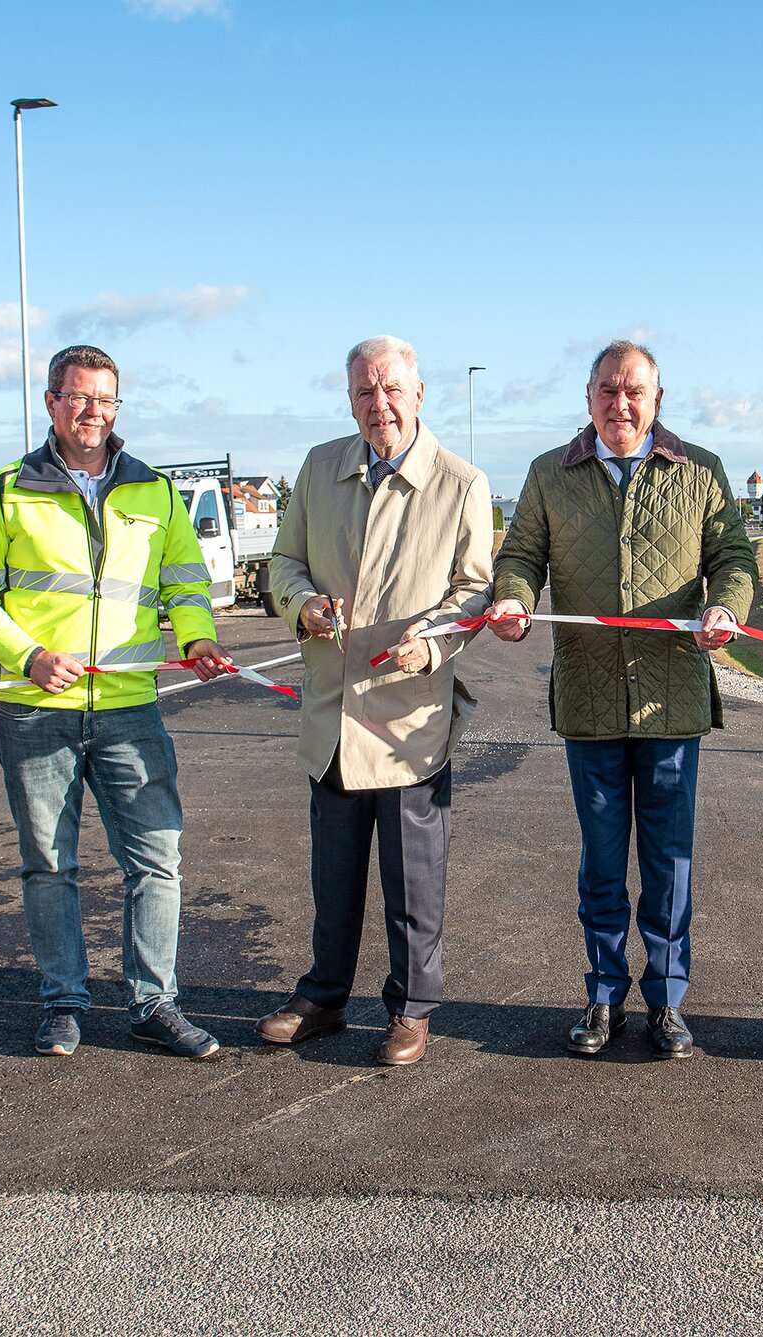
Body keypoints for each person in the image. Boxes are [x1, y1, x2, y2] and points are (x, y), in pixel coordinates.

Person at [0, 344, 232, 1060]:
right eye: (79, 398)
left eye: (106, 400)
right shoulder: (8, 489)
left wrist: (197, 641)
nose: (93, 412)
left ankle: (153, 1001)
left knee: (158, 856)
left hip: (132, 706)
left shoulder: (154, 491)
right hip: (35, 706)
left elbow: (186, 585)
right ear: (51, 402)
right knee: (50, 862)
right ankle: (64, 1000)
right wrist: (27, 654)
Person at [489, 340, 755, 1060]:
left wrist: (727, 607)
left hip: (673, 700)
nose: (620, 403)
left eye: (634, 390)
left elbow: (734, 557)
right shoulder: (550, 474)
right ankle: (603, 995)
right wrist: (512, 599)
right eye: (607, 390)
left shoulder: (700, 471)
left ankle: (667, 1001)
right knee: (602, 861)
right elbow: (518, 557)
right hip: (590, 699)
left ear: (657, 399)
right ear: (588, 398)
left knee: (670, 861)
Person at [254, 336, 492, 1066]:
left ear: (420, 394)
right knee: (334, 872)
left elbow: (475, 590)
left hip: (409, 718)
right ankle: (325, 995)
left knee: (412, 876)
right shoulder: (319, 468)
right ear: (349, 399)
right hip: (333, 711)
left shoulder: (462, 483)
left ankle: (412, 1007)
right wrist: (302, 604)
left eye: (391, 389)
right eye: (364, 392)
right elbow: (283, 562)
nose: (378, 403)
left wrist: (437, 642)